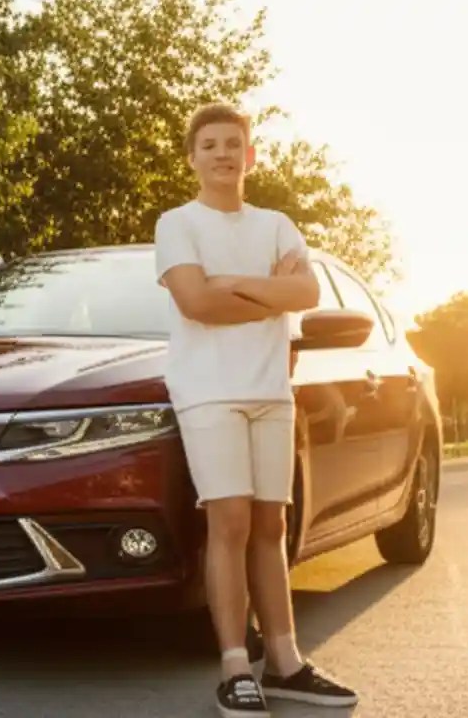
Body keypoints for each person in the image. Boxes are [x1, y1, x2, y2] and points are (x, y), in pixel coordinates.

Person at [154, 103, 360, 716]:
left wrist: (233, 287)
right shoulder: (177, 224)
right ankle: (235, 668)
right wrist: (268, 294)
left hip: (271, 391)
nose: (222, 153)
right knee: (232, 524)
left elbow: (306, 292)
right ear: (192, 157)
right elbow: (196, 303)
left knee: (271, 527)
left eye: (233, 144)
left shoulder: (276, 224)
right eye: (209, 144)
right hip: (209, 391)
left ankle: (287, 663)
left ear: (250, 155)